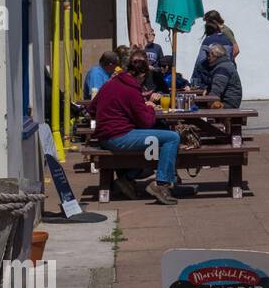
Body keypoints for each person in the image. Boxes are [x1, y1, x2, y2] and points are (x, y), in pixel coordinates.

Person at [87, 50, 179, 205]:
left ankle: (128, 178)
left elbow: (91, 109)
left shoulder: (110, 83)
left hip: (106, 136)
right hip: (118, 137)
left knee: (156, 144)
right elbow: (146, 122)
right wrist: (149, 107)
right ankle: (162, 184)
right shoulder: (132, 90)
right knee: (171, 138)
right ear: (141, 75)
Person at [190, 20, 233, 88]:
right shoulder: (227, 39)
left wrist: (194, 80)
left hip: (212, 75)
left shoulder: (208, 40)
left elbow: (200, 59)